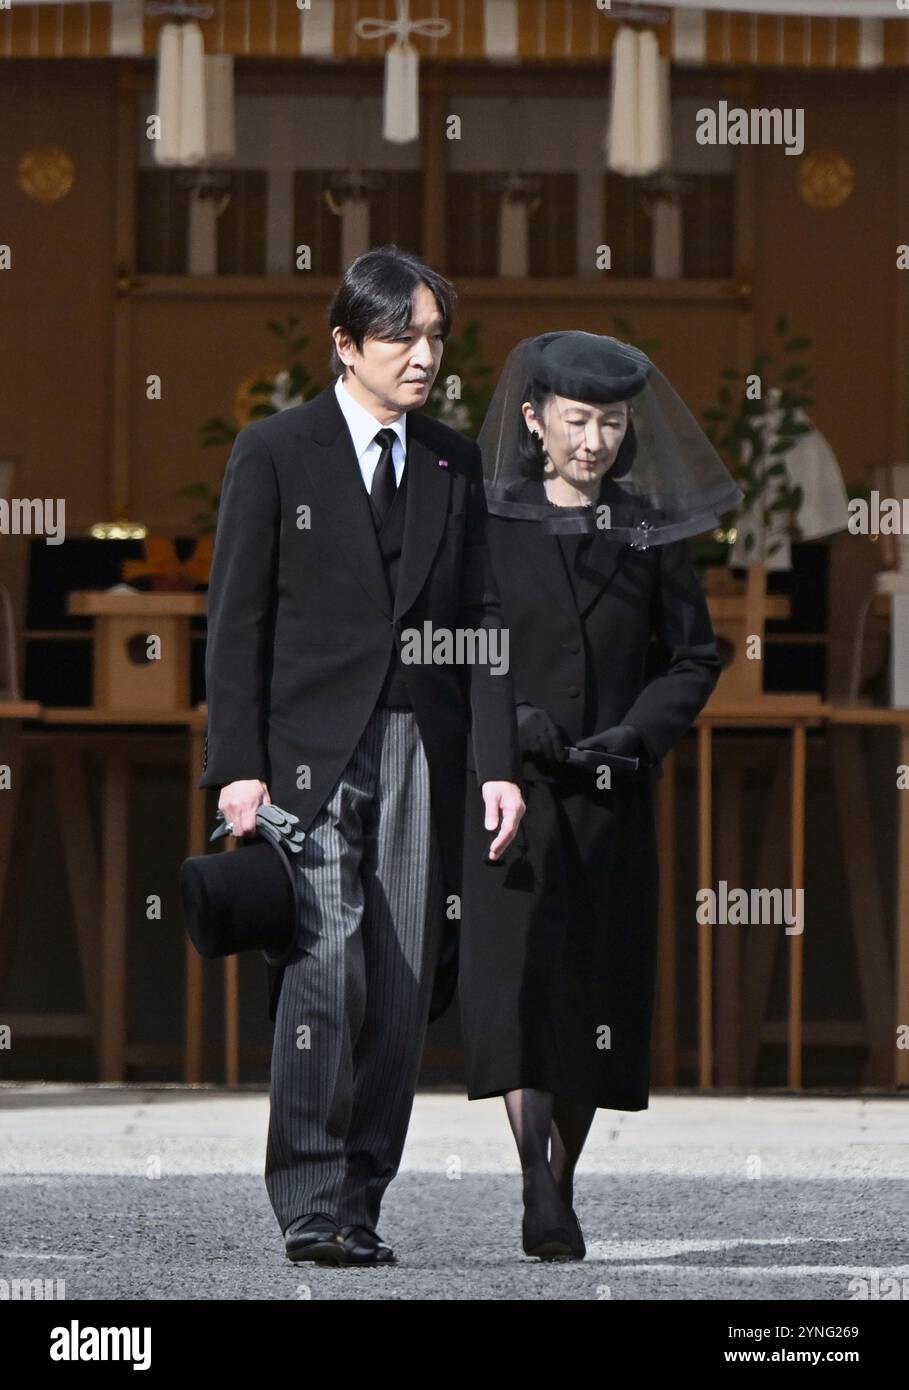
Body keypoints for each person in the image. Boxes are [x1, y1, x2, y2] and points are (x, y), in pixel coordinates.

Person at [199, 246, 525, 1266]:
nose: (425, 356)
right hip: (304, 755)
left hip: (422, 750)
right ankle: (306, 1197)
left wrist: (498, 764)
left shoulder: (452, 460)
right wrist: (236, 765)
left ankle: (359, 1199)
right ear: (345, 344)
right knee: (324, 965)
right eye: (403, 336)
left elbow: (481, 618)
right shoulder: (275, 452)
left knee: (399, 974)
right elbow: (235, 620)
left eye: (436, 337)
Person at [458, 331, 742, 1260]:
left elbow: (697, 652)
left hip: (612, 791)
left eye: (612, 422)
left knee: (590, 992)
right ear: (534, 420)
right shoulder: (488, 519)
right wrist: (512, 723)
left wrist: (638, 734)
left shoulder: (648, 527)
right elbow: (466, 644)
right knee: (514, 988)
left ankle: (561, 1177)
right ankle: (537, 1184)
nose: (594, 440)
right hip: (513, 786)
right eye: (577, 420)